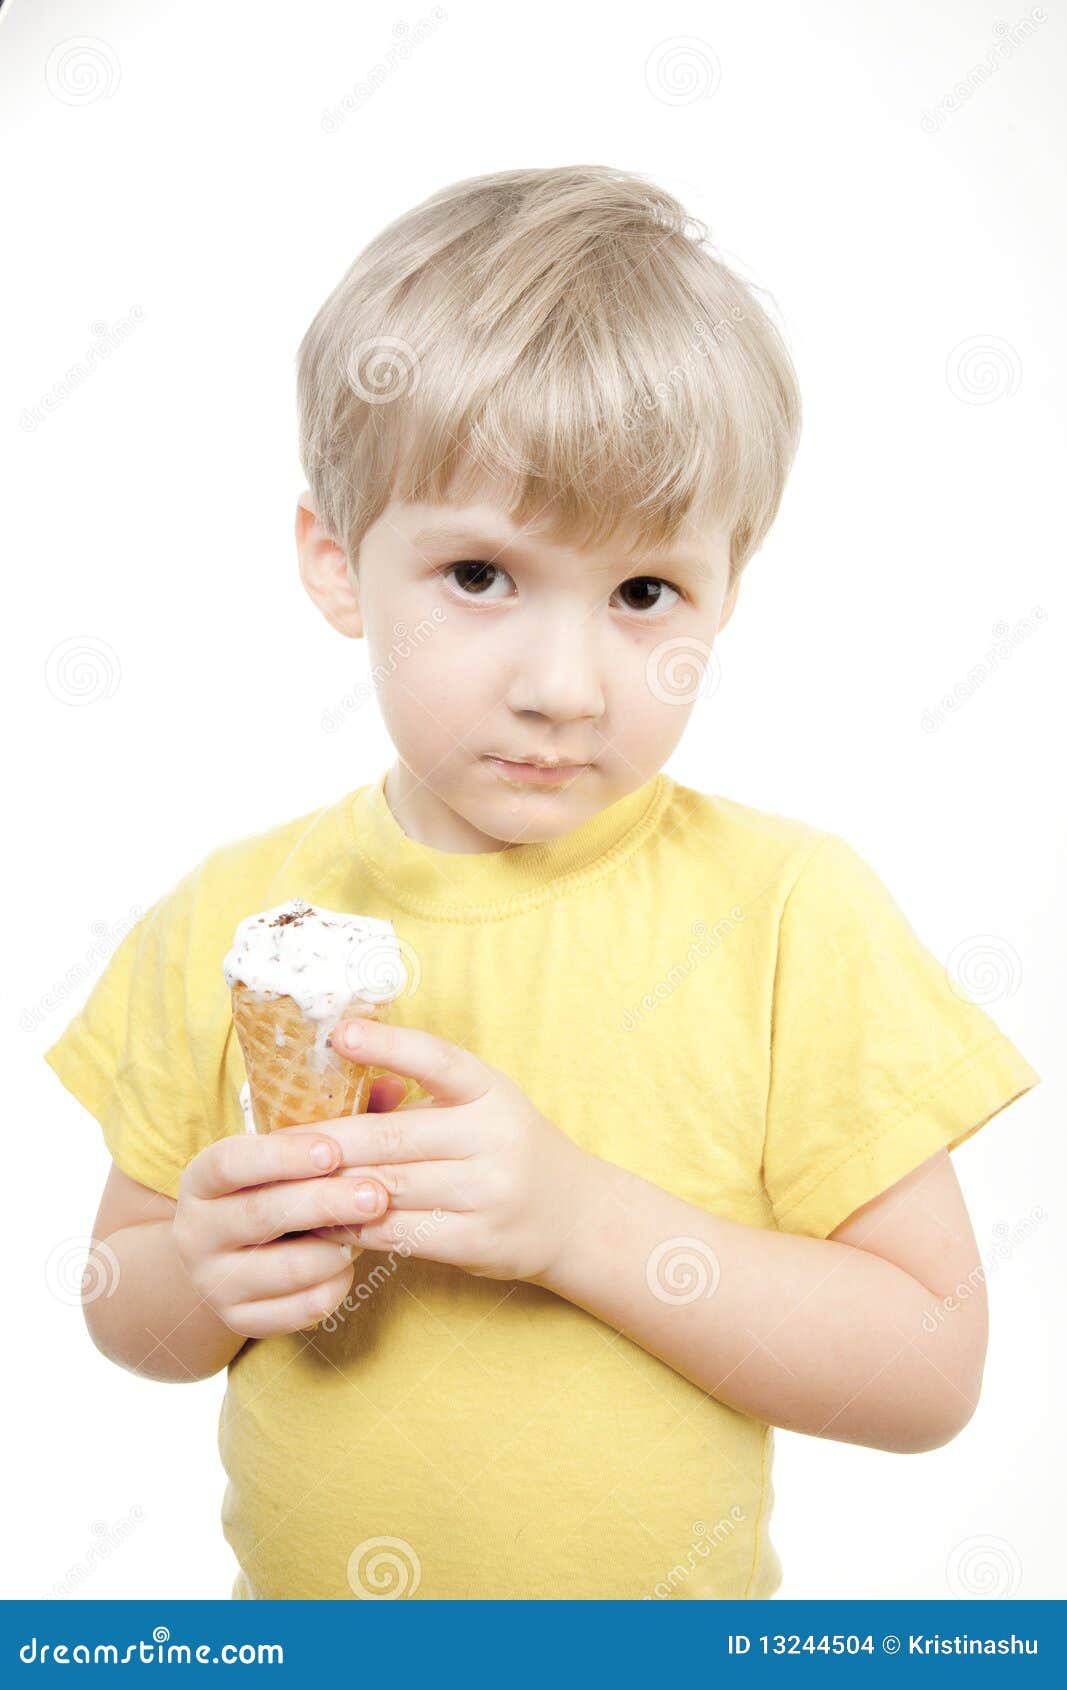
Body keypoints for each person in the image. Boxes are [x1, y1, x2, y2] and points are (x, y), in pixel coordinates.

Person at [44, 164, 1041, 1600]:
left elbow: (933, 1362)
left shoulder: (789, 914)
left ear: (726, 593)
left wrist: (578, 1222)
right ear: (338, 562)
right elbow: (120, 1303)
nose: (564, 686)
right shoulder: (236, 918)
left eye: (645, 593)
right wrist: (204, 1272)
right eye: (479, 573)